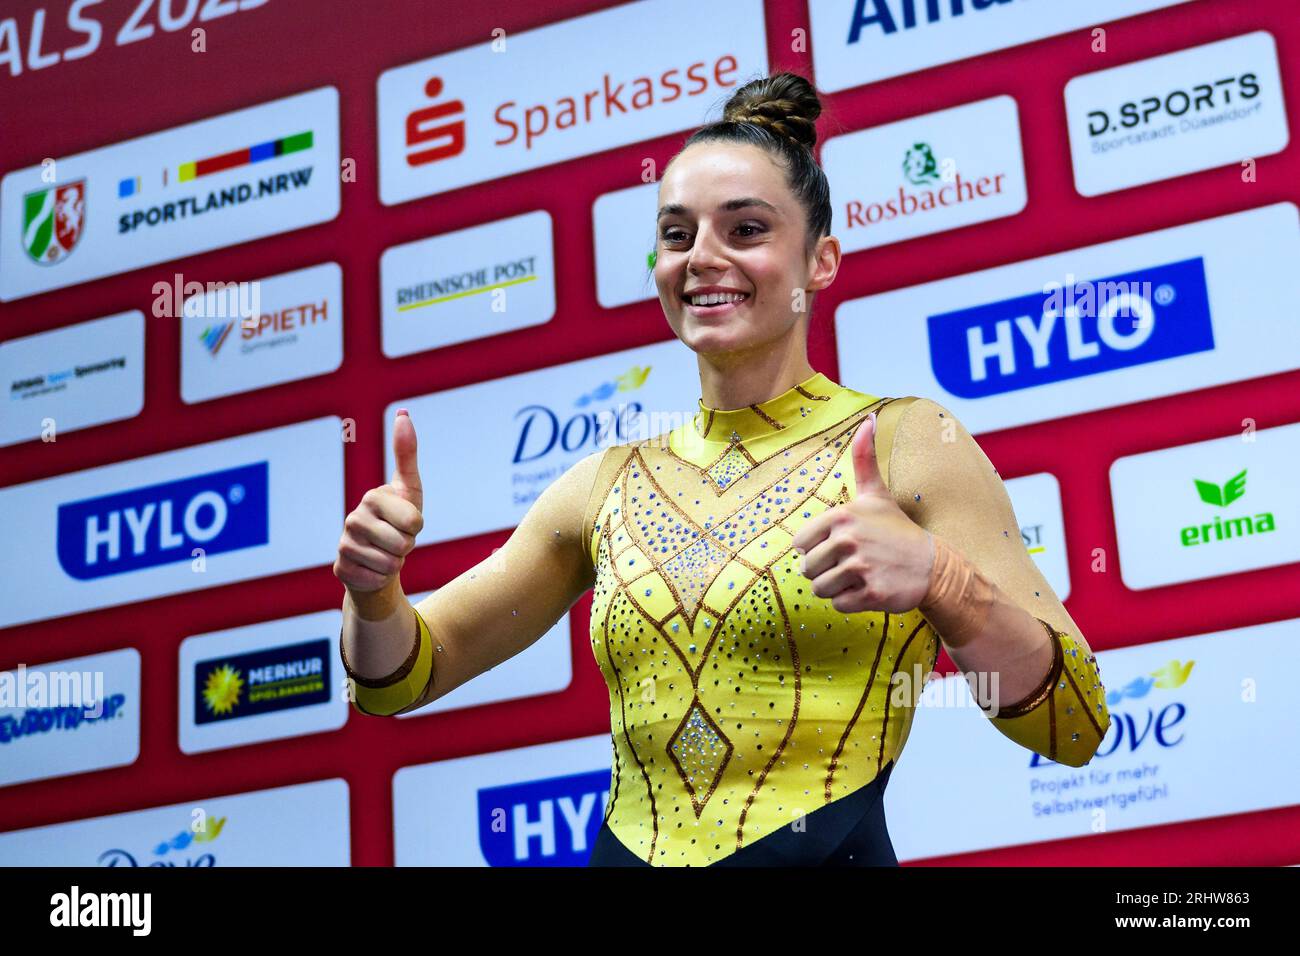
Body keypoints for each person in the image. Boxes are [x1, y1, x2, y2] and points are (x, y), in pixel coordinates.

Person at [334, 71, 1111, 867]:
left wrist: (944, 582)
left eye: (745, 230)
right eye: (677, 234)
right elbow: (399, 680)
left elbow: (1075, 725)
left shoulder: (908, 443)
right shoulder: (604, 483)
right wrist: (373, 592)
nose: (702, 257)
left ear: (822, 262)